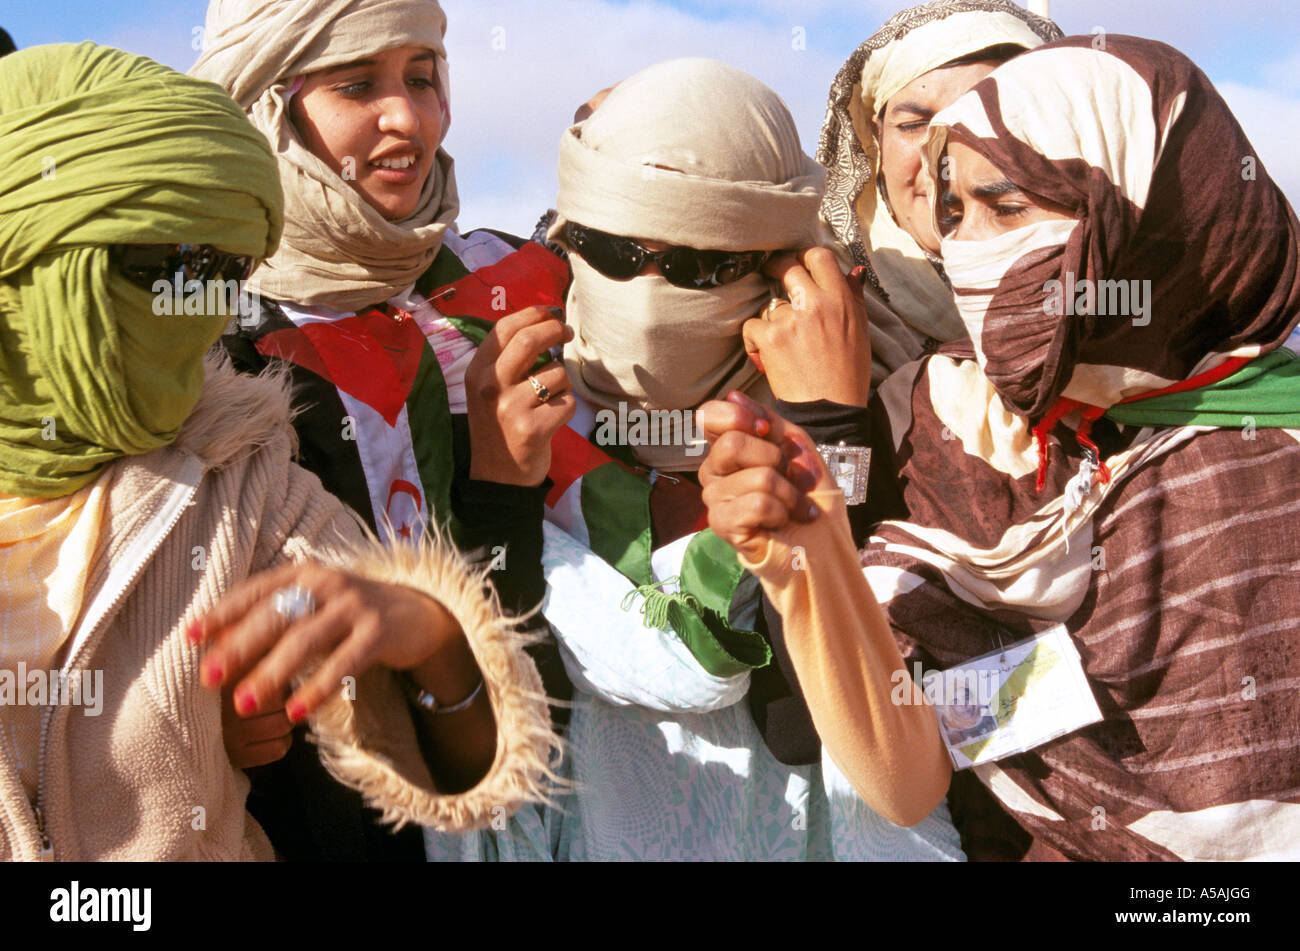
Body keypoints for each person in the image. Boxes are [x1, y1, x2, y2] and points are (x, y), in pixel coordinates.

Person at [699, 34, 1300, 861]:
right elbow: (895, 762)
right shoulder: (939, 418)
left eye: (1008, 207)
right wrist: (810, 560)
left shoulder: (1273, 448)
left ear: (1142, 205)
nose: (971, 247)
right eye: (954, 212)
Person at [0, 41, 559, 860]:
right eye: (176, 268)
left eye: (226, 273)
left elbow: (489, 761)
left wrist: (432, 637)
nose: (198, 312)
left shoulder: (239, 475)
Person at [521, 57, 963, 860]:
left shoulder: (895, 399)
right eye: (614, 252)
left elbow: (813, 720)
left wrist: (827, 431)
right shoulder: (515, 399)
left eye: (699, 267)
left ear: (784, 261)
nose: (650, 294)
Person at [192, 0, 576, 861]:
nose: (407, 117)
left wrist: (502, 489)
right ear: (265, 106)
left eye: (423, 77)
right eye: (358, 84)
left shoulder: (503, 285)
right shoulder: (197, 343)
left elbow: (549, 692)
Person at [817, 0, 1061, 384]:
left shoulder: (1104, 297)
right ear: (875, 141)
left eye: (986, 118)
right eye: (915, 125)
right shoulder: (821, 298)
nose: (945, 157)